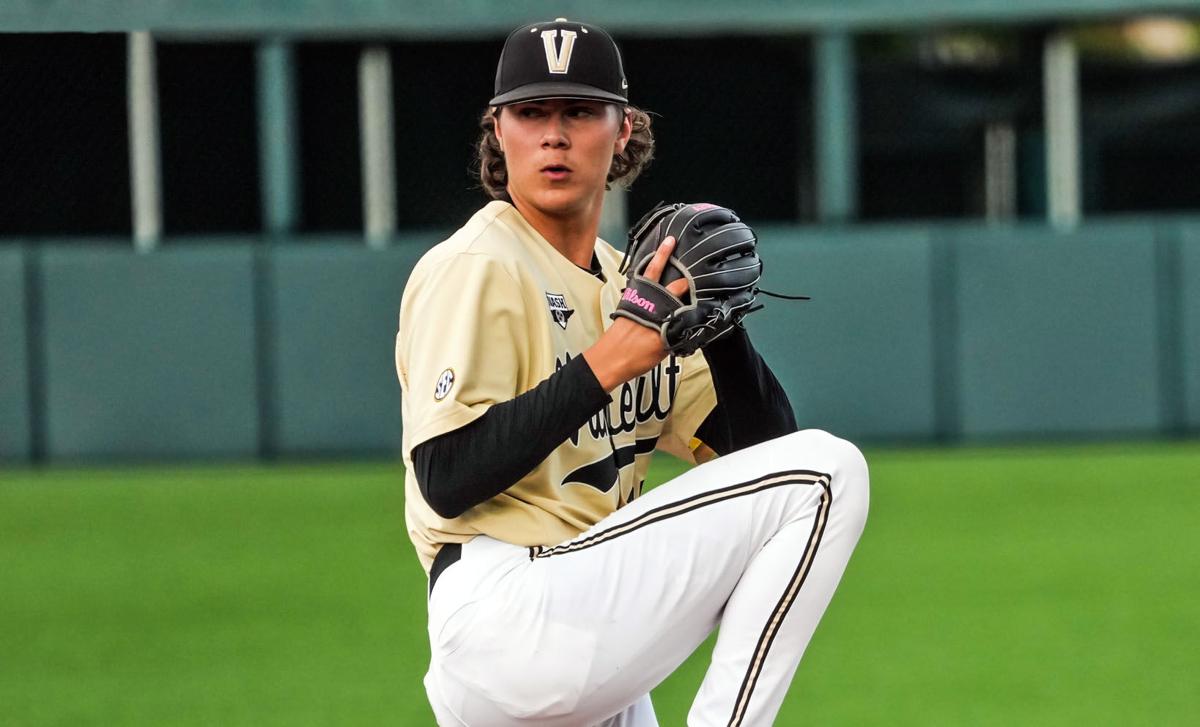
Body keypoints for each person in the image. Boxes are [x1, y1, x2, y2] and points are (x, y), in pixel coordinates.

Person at [395, 18, 869, 727]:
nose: (554, 135)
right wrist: (609, 358)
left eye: (579, 112)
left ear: (623, 131)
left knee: (801, 476)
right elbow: (446, 474)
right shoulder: (477, 265)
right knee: (829, 472)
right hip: (505, 608)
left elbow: (761, 459)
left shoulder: (632, 284)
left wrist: (725, 327)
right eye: (531, 113)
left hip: (587, 630)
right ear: (499, 132)